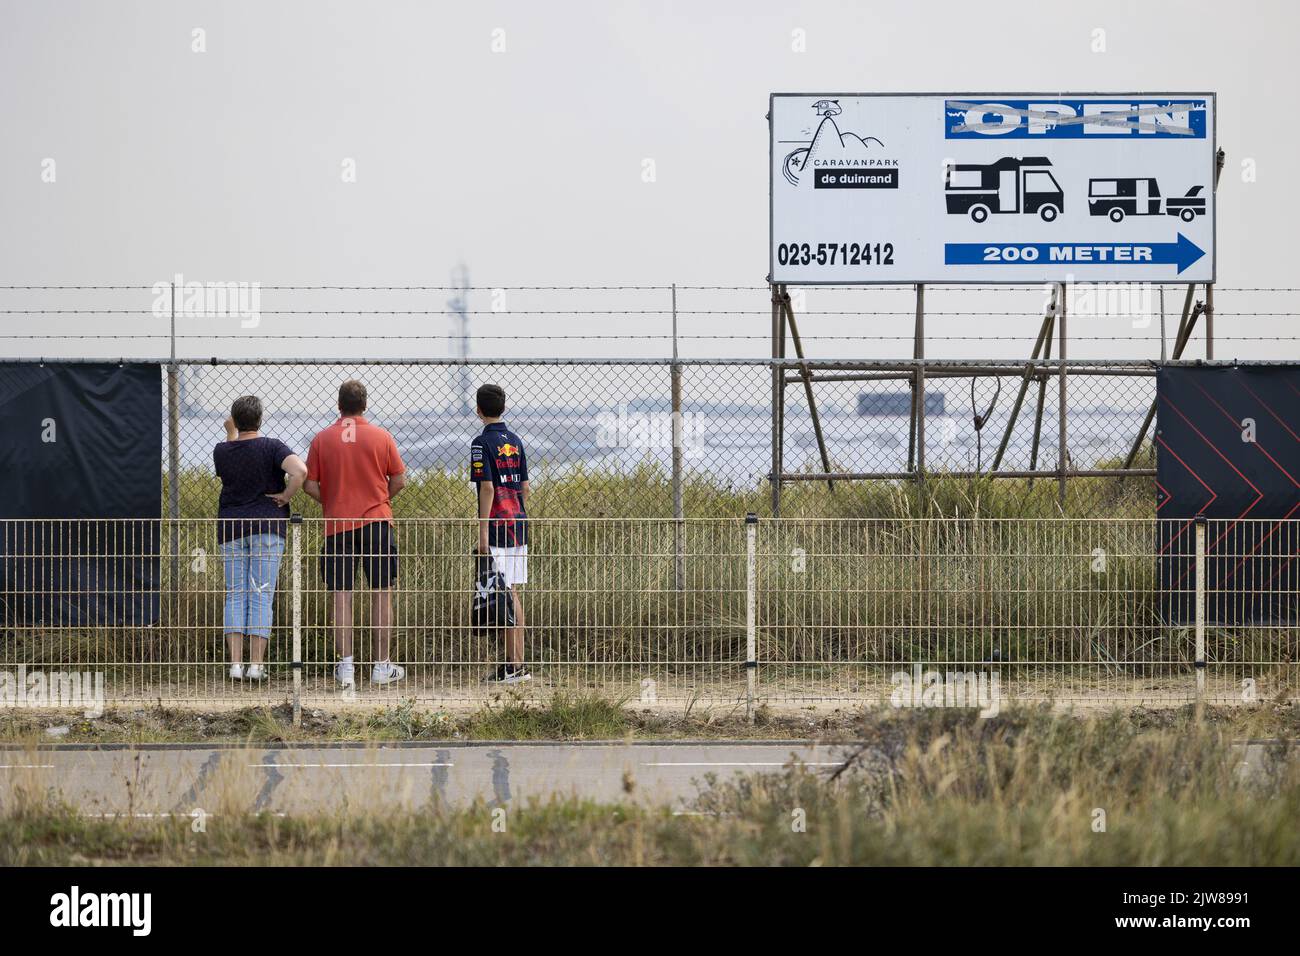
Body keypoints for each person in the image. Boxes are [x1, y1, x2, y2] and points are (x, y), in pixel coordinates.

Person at [303, 380, 407, 689]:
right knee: (381, 592)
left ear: (339, 405)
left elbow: (309, 484)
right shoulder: (382, 436)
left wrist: (334, 501)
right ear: (364, 404)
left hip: (338, 524)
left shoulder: (322, 439)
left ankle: (346, 666)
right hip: (376, 521)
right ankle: (380, 665)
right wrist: (378, 499)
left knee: (342, 595)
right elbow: (399, 479)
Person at [214, 395, 307, 681]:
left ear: (235, 419)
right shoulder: (272, 447)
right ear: (261, 419)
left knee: (236, 593)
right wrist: (285, 495)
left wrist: (231, 431)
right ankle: (256, 666)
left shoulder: (222, 450)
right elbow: (300, 471)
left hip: (231, 528)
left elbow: (235, 448)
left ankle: (235, 665)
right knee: (261, 593)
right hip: (267, 526)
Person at [471, 383, 531, 684]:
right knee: (513, 593)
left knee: (504, 596)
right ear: (503, 407)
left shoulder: (481, 444)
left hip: (496, 526)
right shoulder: (516, 440)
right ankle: (518, 663)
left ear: (479, 409)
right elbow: (525, 488)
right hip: (518, 523)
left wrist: (482, 532)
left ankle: (512, 666)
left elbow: (487, 487)